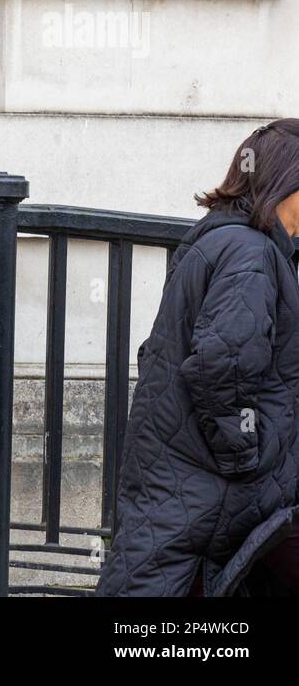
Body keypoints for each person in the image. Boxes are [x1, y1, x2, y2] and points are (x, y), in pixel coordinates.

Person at [98, 119, 299, 596]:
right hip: (212, 479)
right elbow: (220, 361)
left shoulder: (225, 240)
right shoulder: (251, 254)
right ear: (286, 184)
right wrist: (247, 451)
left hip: (190, 478)